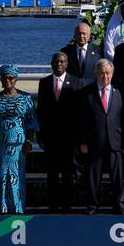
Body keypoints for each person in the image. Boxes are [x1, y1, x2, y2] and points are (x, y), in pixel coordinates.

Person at [0, 63, 39, 214]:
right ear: (0, 79)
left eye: (11, 78)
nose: (7, 80)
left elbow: (32, 122)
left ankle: (17, 208)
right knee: (0, 177)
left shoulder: (25, 98)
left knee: (17, 177)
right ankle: (1, 208)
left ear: (16, 79)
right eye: (4, 78)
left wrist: (29, 141)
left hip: (18, 147)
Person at [79, 59, 124, 214]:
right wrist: (83, 141)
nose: (105, 76)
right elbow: (82, 120)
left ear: (112, 74)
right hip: (94, 142)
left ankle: (119, 205)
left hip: (115, 142)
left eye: (108, 73)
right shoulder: (87, 93)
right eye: (102, 73)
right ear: (96, 74)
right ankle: (92, 206)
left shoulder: (119, 93)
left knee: (118, 178)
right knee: (93, 178)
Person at [37, 51, 79, 211]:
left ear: (67, 64)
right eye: (55, 62)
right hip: (50, 137)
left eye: (62, 62)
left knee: (68, 173)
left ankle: (67, 205)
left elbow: (78, 113)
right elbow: (41, 110)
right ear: (51, 64)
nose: (58, 64)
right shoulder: (44, 82)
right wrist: (41, 134)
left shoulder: (76, 82)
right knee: (52, 173)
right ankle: (53, 205)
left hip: (69, 138)